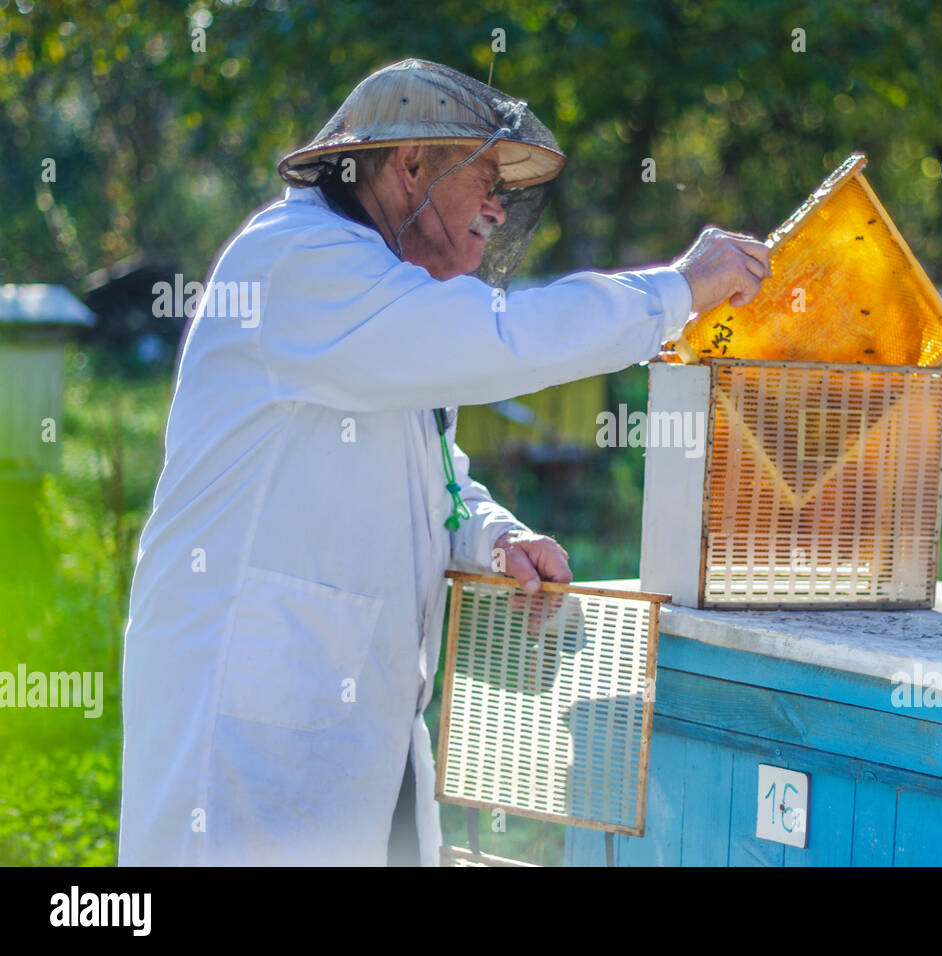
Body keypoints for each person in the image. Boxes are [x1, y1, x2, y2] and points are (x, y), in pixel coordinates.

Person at [118, 58, 770, 866]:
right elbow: (503, 339)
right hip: (247, 725)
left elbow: (431, 464)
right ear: (410, 163)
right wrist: (675, 290)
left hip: (357, 709)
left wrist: (490, 537)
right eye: (486, 177)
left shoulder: (384, 289)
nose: (499, 206)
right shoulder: (298, 261)